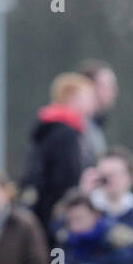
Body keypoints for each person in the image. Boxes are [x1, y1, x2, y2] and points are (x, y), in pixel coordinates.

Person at [21, 73, 97, 233]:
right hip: (56, 216)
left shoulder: (48, 128)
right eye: (88, 96)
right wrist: (81, 189)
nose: (93, 102)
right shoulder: (66, 133)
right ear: (72, 99)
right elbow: (66, 179)